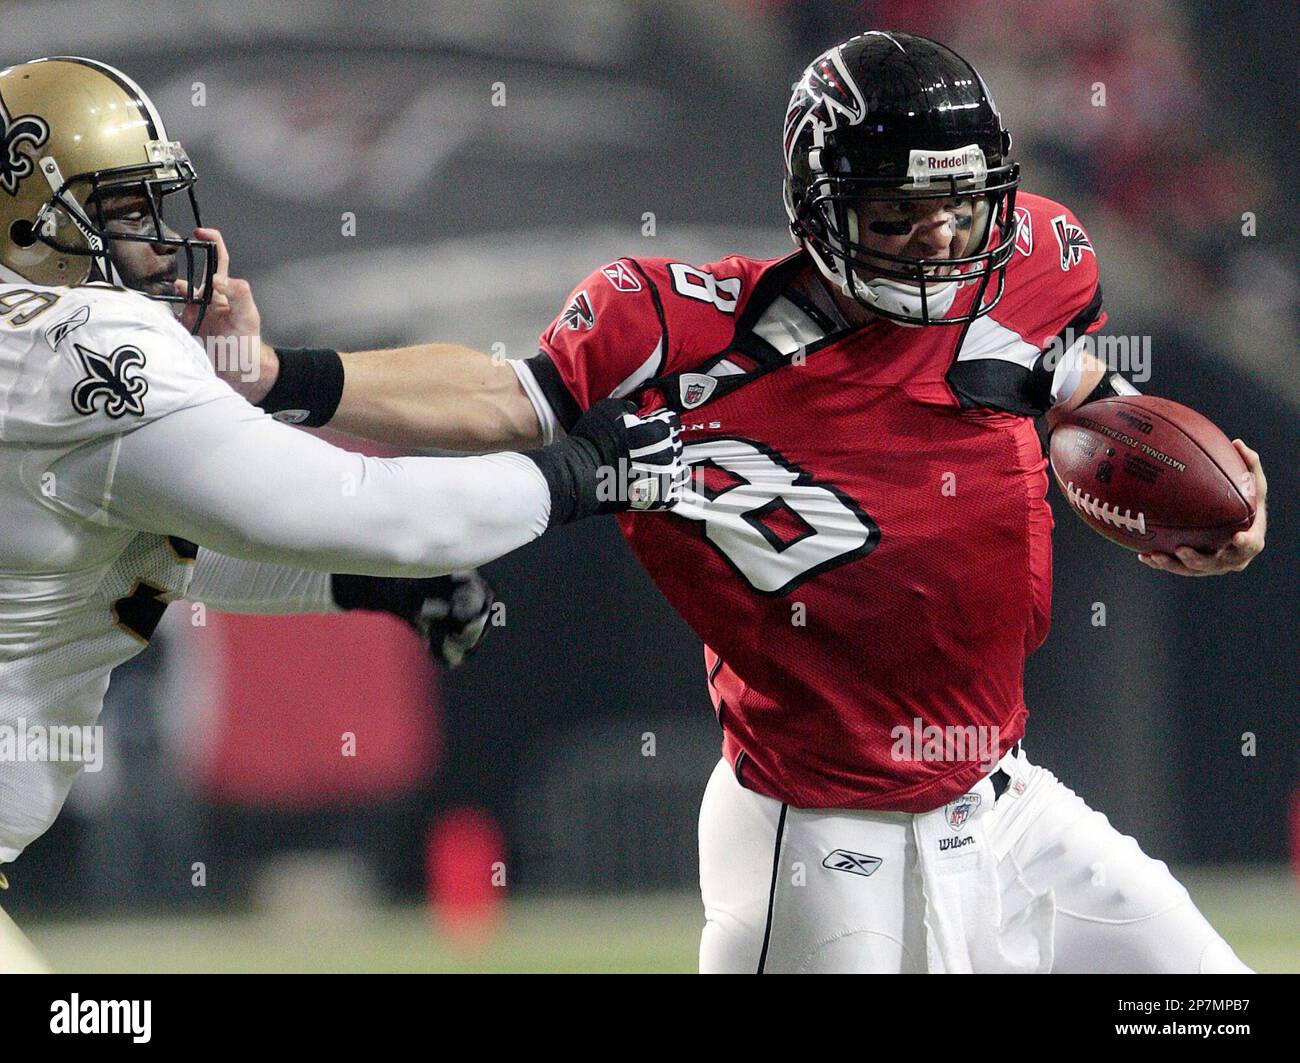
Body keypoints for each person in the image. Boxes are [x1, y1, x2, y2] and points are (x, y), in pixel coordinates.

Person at [206, 33, 1267, 972]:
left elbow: (1077, 386)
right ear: (820, 207)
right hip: (819, 840)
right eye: (900, 214)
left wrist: (1168, 486)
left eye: (959, 206)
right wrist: (281, 373)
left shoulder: (1032, 265)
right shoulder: (677, 332)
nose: (942, 240)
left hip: (1007, 801)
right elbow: (501, 396)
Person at [0, 55, 687, 969]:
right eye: (125, 213)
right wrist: (576, 475)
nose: (164, 243)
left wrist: (358, 583)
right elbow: (357, 507)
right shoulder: (76, 344)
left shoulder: (34, 360)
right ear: (31, 220)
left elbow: (132, 547)